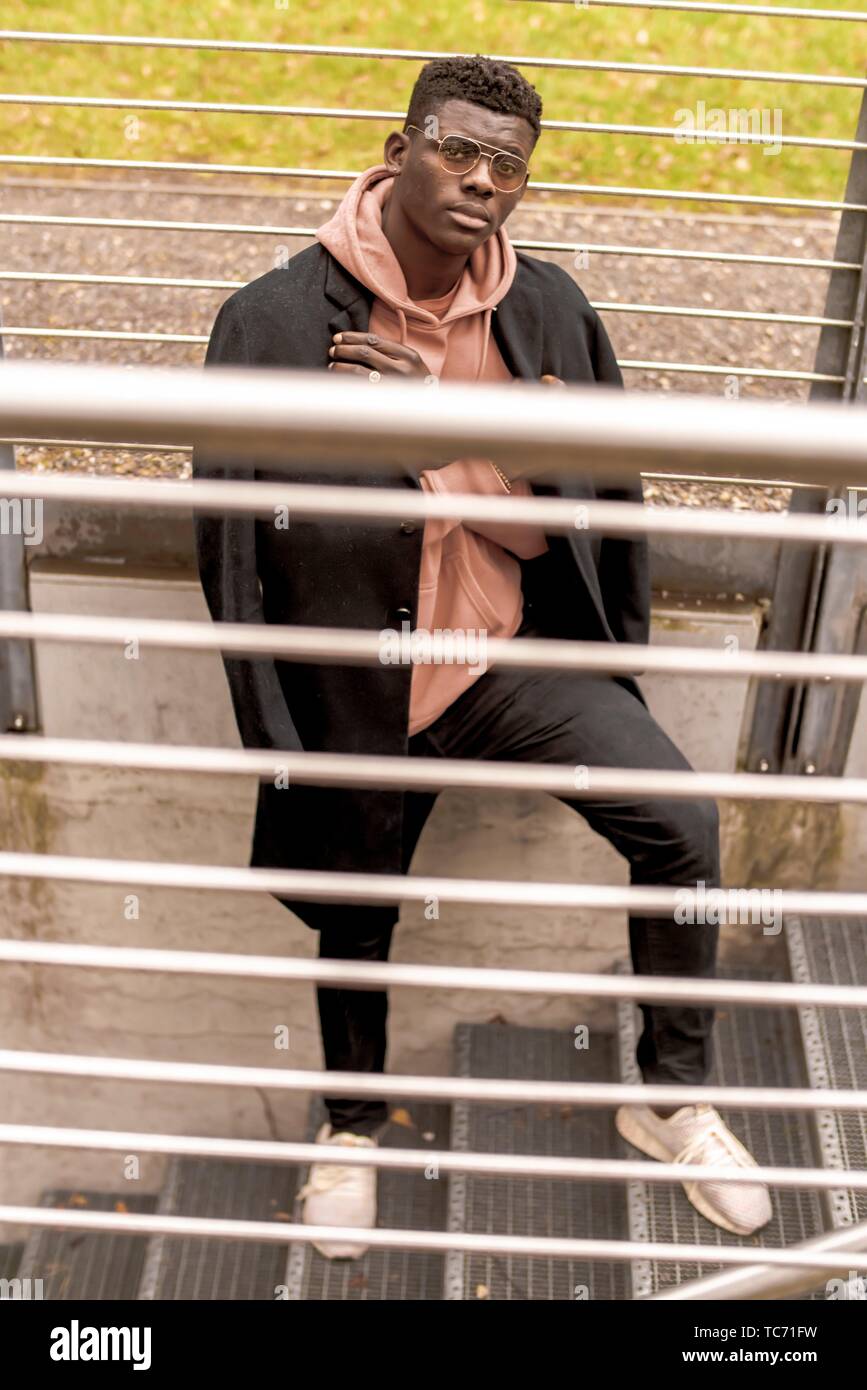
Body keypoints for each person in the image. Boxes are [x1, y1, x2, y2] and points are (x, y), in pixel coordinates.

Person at [193, 54, 772, 1261]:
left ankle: (669, 1097)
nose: (479, 181)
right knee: (357, 910)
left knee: (683, 825)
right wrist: (283, 718)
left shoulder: (548, 314)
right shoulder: (275, 322)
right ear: (400, 146)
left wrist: (446, 433)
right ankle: (350, 1128)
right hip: (361, 683)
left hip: (500, 657)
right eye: (455, 150)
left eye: (507, 166)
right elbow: (234, 540)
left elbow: (558, 522)